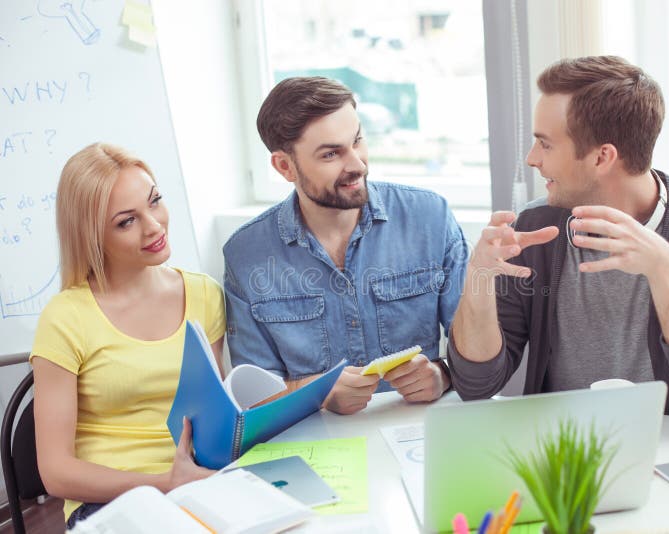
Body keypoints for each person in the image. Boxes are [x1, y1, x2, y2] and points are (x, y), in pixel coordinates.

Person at [448, 56, 669, 435]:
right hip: (562, 454)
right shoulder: (536, 228)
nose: (532, 159)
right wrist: (477, 280)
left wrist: (665, 268)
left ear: (602, 157)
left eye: (545, 144)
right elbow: (476, 385)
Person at [223, 76, 469, 415]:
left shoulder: (430, 218)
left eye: (357, 141)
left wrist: (443, 374)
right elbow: (253, 398)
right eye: (331, 154)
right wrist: (317, 393)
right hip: (316, 444)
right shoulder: (246, 255)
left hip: (417, 435)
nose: (357, 164)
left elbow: (479, 355)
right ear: (284, 166)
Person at [30, 143, 226, 526]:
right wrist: (163, 484)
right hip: (108, 502)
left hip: (197, 485)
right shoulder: (65, 318)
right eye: (126, 221)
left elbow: (211, 416)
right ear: (91, 236)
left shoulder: (203, 294)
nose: (154, 225)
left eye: (154, 202)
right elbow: (55, 473)